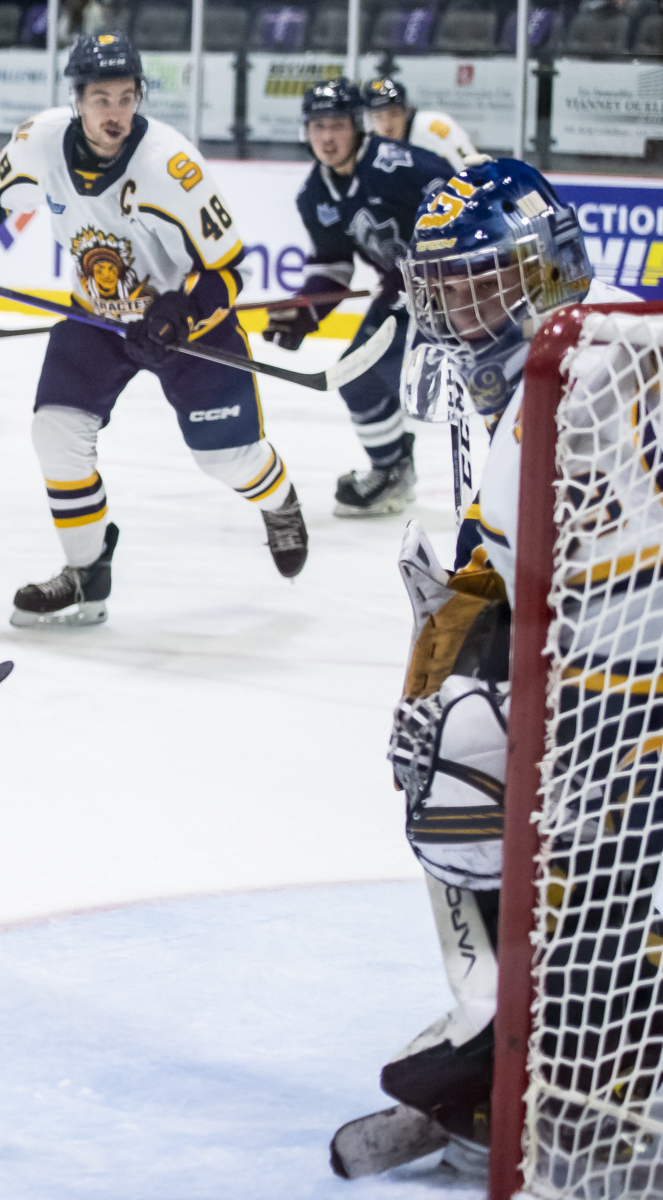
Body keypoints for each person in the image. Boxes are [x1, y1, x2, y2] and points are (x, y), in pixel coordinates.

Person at [329, 158, 636, 1178]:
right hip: (584, 654)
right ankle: (505, 1035)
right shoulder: (508, 373)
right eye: (446, 290)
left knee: (467, 749)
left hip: (629, 666)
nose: (462, 314)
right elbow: (496, 547)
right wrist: (452, 632)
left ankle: (558, 1046)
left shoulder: (609, 358)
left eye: (484, 284)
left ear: (549, 268)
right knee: (444, 742)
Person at [0, 32, 308, 629]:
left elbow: (230, 268)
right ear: (76, 100)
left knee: (226, 459)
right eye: (101, 99)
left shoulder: (172, 167)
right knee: (55, 432)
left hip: (187, 329)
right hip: (96, 319)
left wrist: (180, 312)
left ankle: (280, 501)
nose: (115, 114)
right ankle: (86, 571)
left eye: (127, 98)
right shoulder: (38, 141)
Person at [265, 79, 450, 518]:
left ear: (356, 126)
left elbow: (458, 200)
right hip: (404, 295)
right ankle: (391, 470)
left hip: (456, 291)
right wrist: (306, 311)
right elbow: (333, 264)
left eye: (336, 126)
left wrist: (425, 265)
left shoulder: (398, 164)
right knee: (356, 375)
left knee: (468, 381)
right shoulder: (314, 195)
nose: (327, 138)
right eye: (317, 127)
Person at [364, 77, 480, 171]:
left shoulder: (433, 127)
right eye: (378, 117)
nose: (387, 125)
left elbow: (474, 171)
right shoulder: (368, 148)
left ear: (406, 111)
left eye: (394, 114)